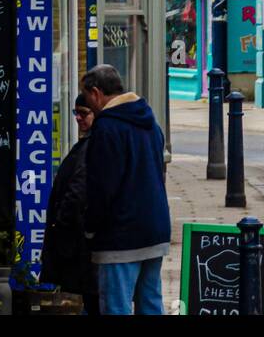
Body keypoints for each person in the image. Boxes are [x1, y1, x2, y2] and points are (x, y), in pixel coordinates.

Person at [81, 64, 171, 315]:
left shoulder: (107, 128)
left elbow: (101, 187)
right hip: (155, 229)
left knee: (116, 307)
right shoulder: (150, 123)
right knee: (151, 303)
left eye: (87, 97)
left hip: (121, 236)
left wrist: (90, 228)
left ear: (96, 93)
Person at [41, 95, 98, 314]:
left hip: (79, 239)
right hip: (77, 239)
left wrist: (60, 223)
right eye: (76, 113)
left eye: (84, 113)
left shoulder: (90, 146)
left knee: (93, 300)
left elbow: (78, 192)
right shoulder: (88, 144)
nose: (79, 119)